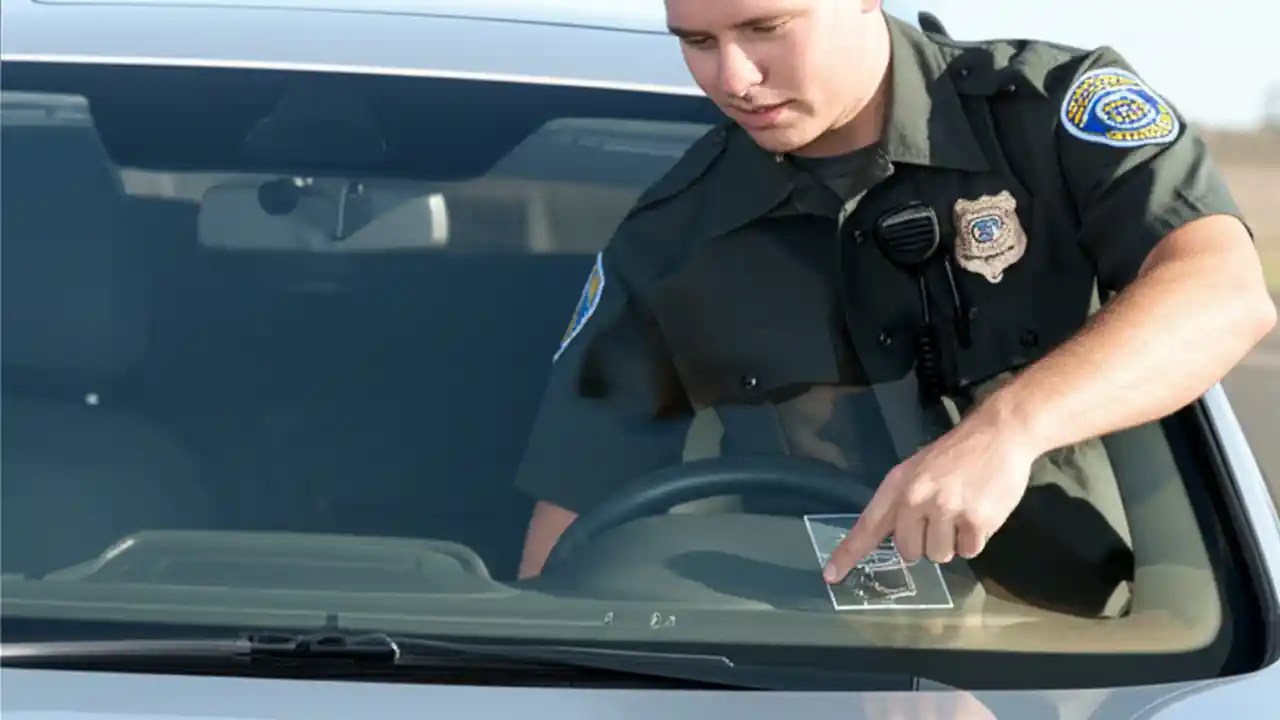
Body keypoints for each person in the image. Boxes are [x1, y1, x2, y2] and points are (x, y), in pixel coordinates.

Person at [511, 0, 1276, 614]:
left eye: (764, 29)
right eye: (697, 41)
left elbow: (1224, 292)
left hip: (1098, 663)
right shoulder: (671, 241)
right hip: (801, 667)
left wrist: (1007, 430)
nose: (734, 77)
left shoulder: (1047, 116)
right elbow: (574, 514)